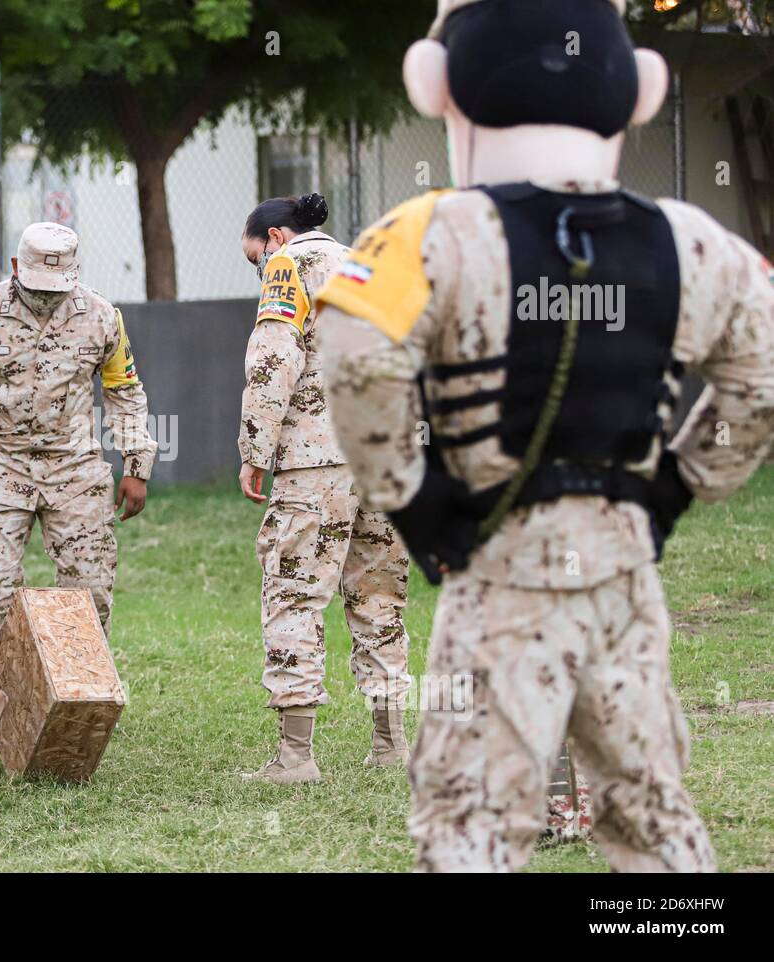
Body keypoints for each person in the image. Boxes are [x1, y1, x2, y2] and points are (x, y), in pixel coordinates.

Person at [315, 0, 774, 871]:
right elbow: (763, 374)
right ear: (641, 93)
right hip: (623, 576)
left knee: (472, 825)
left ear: (434, 85)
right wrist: (680, 486)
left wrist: (413, 501)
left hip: (496, 572)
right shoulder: (692, 241)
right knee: (650, 813)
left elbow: (356, 345)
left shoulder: (433, 230)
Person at [237, 192, 413, 784]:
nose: (258, 270)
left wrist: (254, 453)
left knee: (295, 593)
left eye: (253, 257)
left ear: (277, 239)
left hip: (319, 460)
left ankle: (295, 757)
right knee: (380, 597)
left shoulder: (289, 267)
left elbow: (272, 361)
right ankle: (390, 744)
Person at [0, 222, 157, 637]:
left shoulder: (101, 316)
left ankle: (83, 694)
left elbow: (124, 390)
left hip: (74, 468)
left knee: (90, 590)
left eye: (55, 285)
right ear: (15, 266)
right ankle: (1, 696)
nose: (45, 295)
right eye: (37, 284)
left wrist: (137, 465)